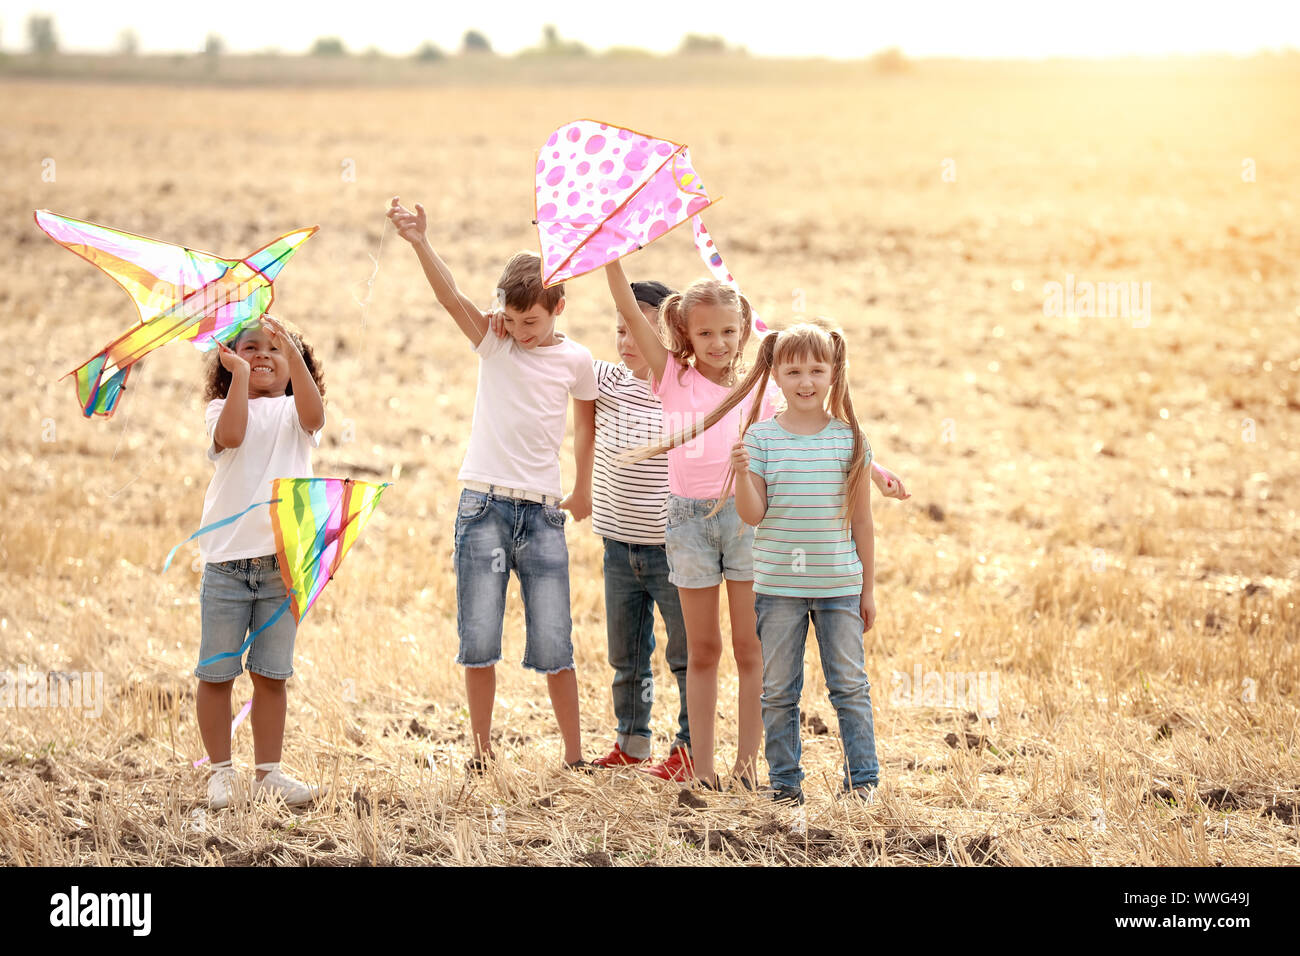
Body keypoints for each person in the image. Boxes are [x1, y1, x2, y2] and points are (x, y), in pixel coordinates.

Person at [387, 196, 597, 772]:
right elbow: (449, 298)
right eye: (516, 319)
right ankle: (480, 752)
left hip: (543, 511)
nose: (524, 333)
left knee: (556, 640)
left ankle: (575, 756)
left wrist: (580, 488)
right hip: (483, 505)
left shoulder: (577, 361)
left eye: (535, 322)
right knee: (479, 637)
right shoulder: (494, 341)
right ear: (502, 310)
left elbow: (587, 425)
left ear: (559, 307)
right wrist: (420, 242)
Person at [729, 321, 884, 804]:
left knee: (850, 688)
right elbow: (754, 514)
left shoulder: (850, 441)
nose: (805, 381)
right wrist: (740, 476)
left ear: (834, 373)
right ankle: (785, 785)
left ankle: (863, 784)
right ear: (775, 374)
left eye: (817, 370)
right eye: (793, 371)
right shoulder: (760, 440)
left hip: (839, 583)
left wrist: (869, 588)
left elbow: (862, 520)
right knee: (778, 691)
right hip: (778, 588)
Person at [196, 315, 326, 809]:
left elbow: (316, 418)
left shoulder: (297, 413)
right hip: (227, 565)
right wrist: (242, 382)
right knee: (216, 673)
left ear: (295, 364)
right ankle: (221, 773)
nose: (264, 355)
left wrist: (293, 355)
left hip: (281, 566)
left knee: (273, 675)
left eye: (276, 349)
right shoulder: (220, 409)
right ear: (230, 362)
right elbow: (231, 436)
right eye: (250, 349)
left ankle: (268, 773)